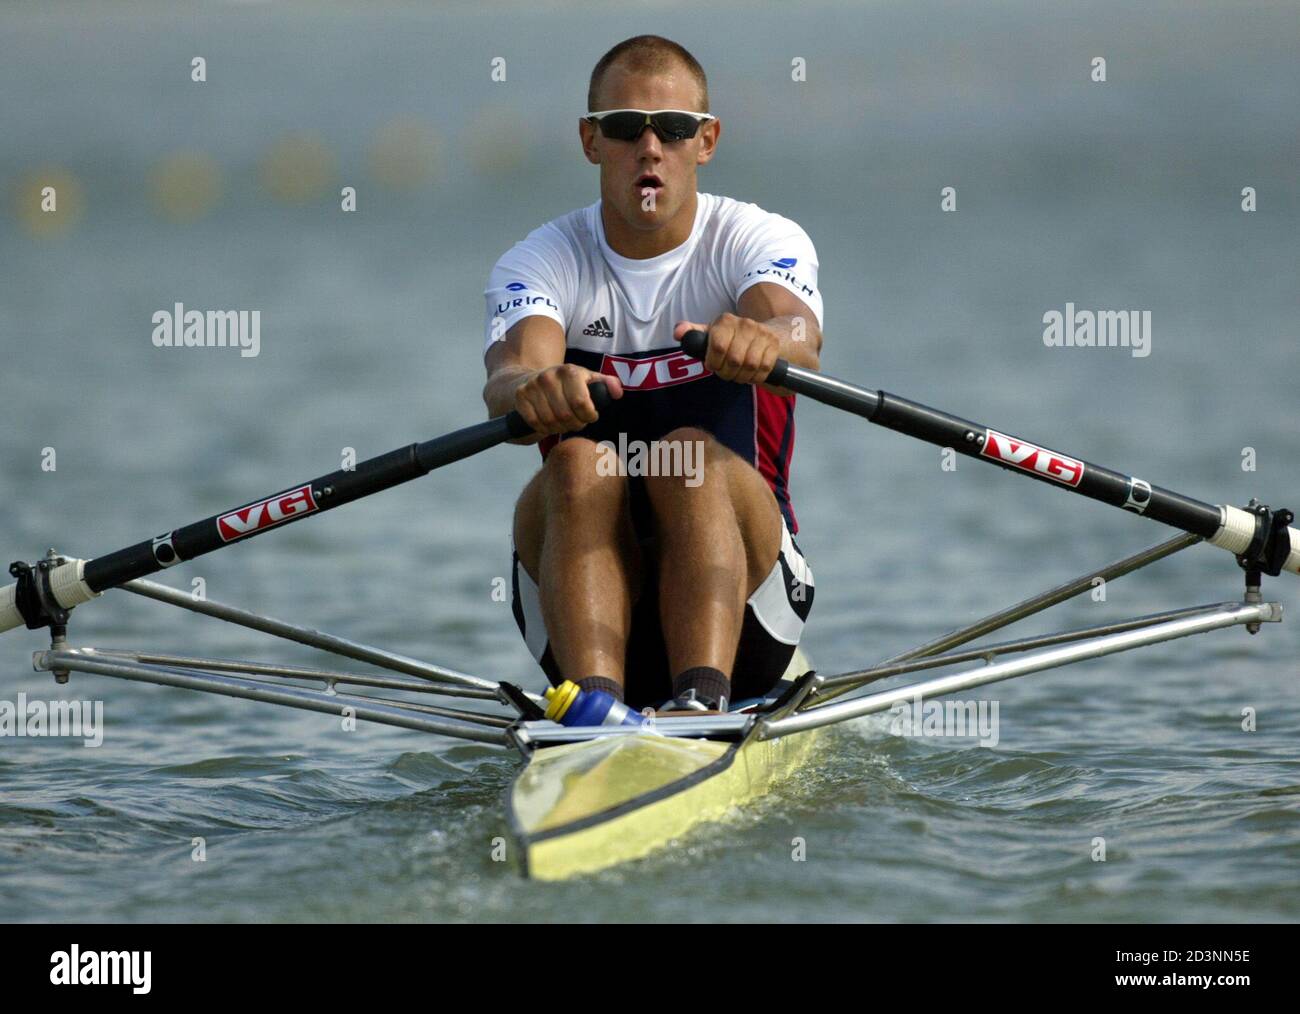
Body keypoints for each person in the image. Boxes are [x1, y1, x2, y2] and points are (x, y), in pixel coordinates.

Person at [482, 35, 821, 714]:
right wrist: (530, 389)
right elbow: (512, 373)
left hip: (750, 605)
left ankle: (701, 699)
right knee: (575, 462)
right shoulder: (541, 259)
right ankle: (596, 710)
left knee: (685, 457)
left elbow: (801, 340)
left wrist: (765, 341)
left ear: (707, 141)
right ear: (590, 141)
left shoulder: (758, 240)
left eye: (672, 128)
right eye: (624, 128)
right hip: (580, 610)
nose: (650, 147)